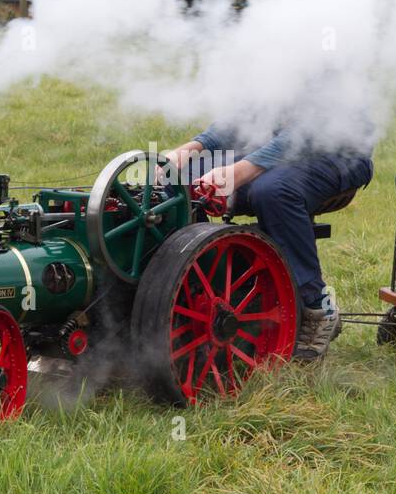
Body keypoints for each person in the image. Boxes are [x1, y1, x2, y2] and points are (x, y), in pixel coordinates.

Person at [159, 126, 372, 359]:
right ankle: (200, 289)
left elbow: (306, 132)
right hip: (271, 147)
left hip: (336, 153)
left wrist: (238, 173)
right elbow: (242, 114)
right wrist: (190, 149)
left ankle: (318, 308)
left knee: (272, 191)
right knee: (179, 178)